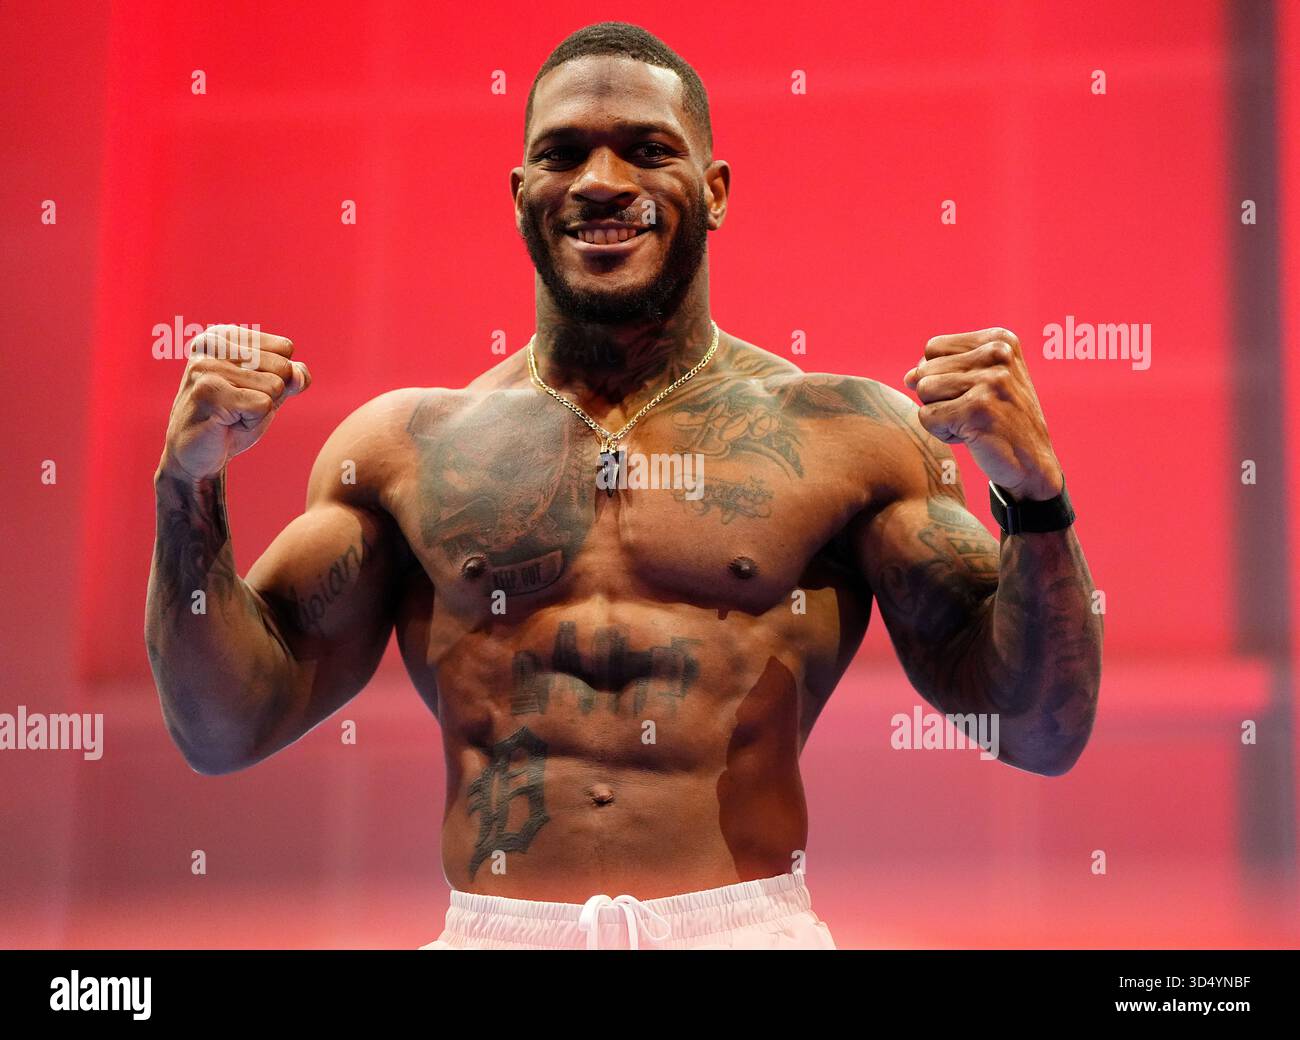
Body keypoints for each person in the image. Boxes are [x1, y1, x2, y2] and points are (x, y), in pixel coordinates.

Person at [145, 21, 1103, 950]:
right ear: (521, 192)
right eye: (563, 155)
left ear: (715, 189)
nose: (602, 184)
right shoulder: (406, 451)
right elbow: (226, 729)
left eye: (647, 150)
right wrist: (187, 484)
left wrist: (1034, 496)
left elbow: (1039, 730)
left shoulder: (847, 436)